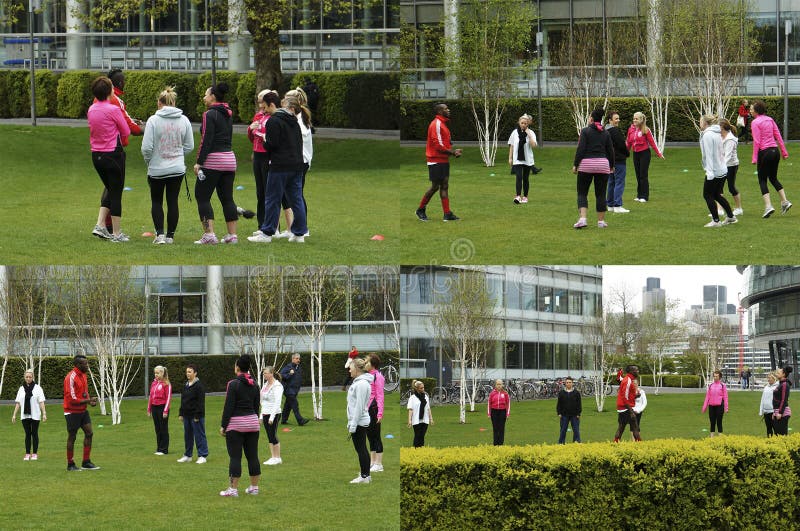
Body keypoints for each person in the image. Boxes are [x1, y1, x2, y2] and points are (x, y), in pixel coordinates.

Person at [247, 93, 308, 243]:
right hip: (296, 165)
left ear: (272, 105)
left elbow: (271, 145)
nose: (264, 110)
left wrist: (265, 140)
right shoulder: (294, 120)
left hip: (280, 166)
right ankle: (299, 233)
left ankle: (267, 233)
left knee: (272, 199)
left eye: (265, 107)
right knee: (296, 199)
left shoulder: (274, 121)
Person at [141, 86, 194, 244]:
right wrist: (178, 156)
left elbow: (146, 147)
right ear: (174, 103)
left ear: (159, 102)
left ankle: (160, 235)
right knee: (172, 201)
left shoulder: (153, 120)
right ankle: (170, 236)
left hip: (157, 168)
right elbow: (189, 146)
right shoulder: (184, 120)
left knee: (156, 201)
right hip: (177, 168)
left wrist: (149, 161)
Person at [98, 68, 144, 236]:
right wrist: (146, 129)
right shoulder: (116, 100)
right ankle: (111, 229)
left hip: (98, 150)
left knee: (109, 187)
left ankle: (103, 224)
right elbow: (128, 127)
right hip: (114, 149)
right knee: (115, 189)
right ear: (119, 83)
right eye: (123, 81)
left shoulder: (96, 102)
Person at [194, 83, 239, 245]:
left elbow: (206, 140)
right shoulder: (228, 113)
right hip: (229, 160)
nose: (204, 97)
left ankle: (209, 235)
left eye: (206, 94)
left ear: (213, 96)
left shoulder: (209, 114)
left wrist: (199, 162)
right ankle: (232, 236)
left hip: (213, 161)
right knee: (227, 199)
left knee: (202, 196)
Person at [88, 76, 131, 242]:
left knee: (110, 188)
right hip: (113, 155)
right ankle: (116, 233)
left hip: (96, 156)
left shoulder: (91, 109)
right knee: (116, 194)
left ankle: (100, 225)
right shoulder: (113, 110)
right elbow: (126, 131)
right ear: (108, 91)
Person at [274, 87, 314, 239]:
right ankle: (295, 228)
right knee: (293, 196)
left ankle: (302, 228)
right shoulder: (299, 117)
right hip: (300, 160)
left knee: (297, 196)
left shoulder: (299, 120)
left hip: (300, 161)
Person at [219, 355, 261, 497]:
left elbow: (228, 407)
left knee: (235, 457)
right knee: (253, 456)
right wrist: (253, 420)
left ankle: (233, 489)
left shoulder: (233, 384)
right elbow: (256, 406)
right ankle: (254, 488)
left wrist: (223, 425)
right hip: (253, 423)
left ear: (237, 367)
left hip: (236, 425)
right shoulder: (255, 384)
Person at [416, 103, 462, 222]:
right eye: (446, 108)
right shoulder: (436, 124)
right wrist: (453, 152)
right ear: (440, 111)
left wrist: (452, 151)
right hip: (435, 160)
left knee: (444, 185)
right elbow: (437, 145)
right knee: (435, 186)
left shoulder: (443, 124)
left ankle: (447, 214)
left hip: (443, 159)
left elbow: (444, 142)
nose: (449, 110)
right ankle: (420, 209)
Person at [572, 107, 614, 229]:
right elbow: (610, 151)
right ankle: (601, 222)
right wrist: (611, 166)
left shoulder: (585, 131)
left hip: (586, 165)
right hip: (603, 165)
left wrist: (576, 164)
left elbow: (581, 149)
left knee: (582, 193)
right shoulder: (606, 133)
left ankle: (583, 219)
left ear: (591, 119)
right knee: (601, 194)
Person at [749, 100, 791, 218]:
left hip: (765, 153)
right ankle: (785, 202)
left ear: (756, 111)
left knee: (762, 180)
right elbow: (778, 136)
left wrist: (754, 158)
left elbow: (757, 141)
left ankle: (768, 206)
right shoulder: (770, 119)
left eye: (751, 109)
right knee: (773, 178)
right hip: (775, 152)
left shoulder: (755, 122)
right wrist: (784, 152)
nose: (750, 111)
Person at [247, 88, 277, 231]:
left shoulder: (272, 116)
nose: (260, 106)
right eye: (258, 102)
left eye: (262, 102)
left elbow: (268, 136)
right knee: (260, 192)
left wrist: (256, 131)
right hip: (257, 155)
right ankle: (261, 224)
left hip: (267, 155)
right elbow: (252, 137)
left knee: (268, 191)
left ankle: (273, 225)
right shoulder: (259, 115)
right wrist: (250, 129)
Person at [63, 354, 99, 471]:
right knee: (72, 437)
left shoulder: (83, 375)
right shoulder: (70, 377)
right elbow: (71, 399)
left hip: (83, 411)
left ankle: (86, 462)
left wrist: (89, 401)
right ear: (78, 365)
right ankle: (70, 464)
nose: (87, 366)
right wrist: (88, 400)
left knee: (89, 433)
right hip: (71, 412)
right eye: (85, 364)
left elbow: (84, 393)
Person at [699, 115, 736, 228]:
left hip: (714, 170)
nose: (699, 123)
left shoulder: (708, 135)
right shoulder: (716, 133)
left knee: (707, 195)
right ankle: (730, 216)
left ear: (705, 123)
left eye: (700, 121)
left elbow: (708, 155)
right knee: (716, 195)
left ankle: (716, 221)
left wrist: (709, 172)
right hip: (722, 169)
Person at [626, 111, 664, 203]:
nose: (634, 120)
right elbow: (628, 142)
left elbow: (652, 142)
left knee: (643, 175)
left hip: (644, 154)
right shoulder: (630, 129)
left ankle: (644, 196)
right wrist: (625, 153)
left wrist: (659, 153)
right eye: (634, 118)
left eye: (636, 119)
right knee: (638, 175)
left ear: (641, 120)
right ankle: (639, 195)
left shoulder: (646, 130)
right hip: (635, 154)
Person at [347, 357, 373, 484]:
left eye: (351, 368)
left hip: (359, 421)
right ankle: (365, 475)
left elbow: (359, 406)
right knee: (361, 448)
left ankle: (364, 476)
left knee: (361, 449)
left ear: (357, 369)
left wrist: (353, 423)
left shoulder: (362, 384)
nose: (349, 371)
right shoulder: (359, 382)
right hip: (358, 421)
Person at [12, 369, 47, 460]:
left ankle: (34, 453)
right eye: (27, 377)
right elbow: (18, 403)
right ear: (24, 377)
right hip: (24, 415)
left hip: (35, 415)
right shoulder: (21, 389)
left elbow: (41, 402)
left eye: (30, 377)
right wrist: (14, 415)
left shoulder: (38, 388)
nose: (28, 378)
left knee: (34, 433)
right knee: (27, 434)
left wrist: (44, 413)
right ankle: (27, 454)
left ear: (33, 377)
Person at [177, 364, 208, 464]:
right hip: (186, 415)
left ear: (195, 373)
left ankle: (202, 455)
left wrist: (197, 415)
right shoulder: (185, 385)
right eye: (187, 372)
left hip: (196, 416)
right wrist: (181, 413)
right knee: (188, 436)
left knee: (199, 435)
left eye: (190, 372)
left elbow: (200, 402)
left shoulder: (199, 386)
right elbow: (183, 400)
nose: (188, 374)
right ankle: (188, 455)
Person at [507, 113, 537, 204]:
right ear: (519, 122)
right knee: (519, 177)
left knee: (525, 178)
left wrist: (529, 135)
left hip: (528, 159)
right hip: (517, 159)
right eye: (522, 123)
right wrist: (510, 158)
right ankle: (518, 196)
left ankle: (525, 197)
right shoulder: (514, 133)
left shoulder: (531, 132)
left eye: (525, 123)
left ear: (528, 124)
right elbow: (512, 145)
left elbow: (534, 145)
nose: (523, 125)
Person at [605, 110, 630, 213]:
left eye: (618, 118)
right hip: (618, 159)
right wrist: (627, 153)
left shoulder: (605, 131)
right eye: (616, 119)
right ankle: (617, 205)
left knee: (611, 182)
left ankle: (610, 205)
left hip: (609, 160)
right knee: (619, 182)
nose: (618, 120)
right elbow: (621, 145)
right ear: (610, 120)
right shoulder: (615, 131)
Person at [364, 353, 385, 472]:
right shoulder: (367, 376)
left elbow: (380, 396)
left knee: (376, 436)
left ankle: (379, 463)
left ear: (373, 364)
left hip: (374, 409)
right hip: (366, 410)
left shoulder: (378, 376)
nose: (365, 363)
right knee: (370, 436)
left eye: (367, 362)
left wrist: (380, 413)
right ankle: (372, 462)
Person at [259, 366, 284, 465]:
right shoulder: (265, 385)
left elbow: (277, 403)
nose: (264, 375)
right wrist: (261, 416)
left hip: (274, 413)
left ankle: (278, 458)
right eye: (263, 373)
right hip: (265, 413)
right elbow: (263, 402)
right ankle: (273, 457)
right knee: (269, 436)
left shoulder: (277, 386)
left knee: (272, 435)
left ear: (271, 374)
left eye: (265, 373)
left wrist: (272, 417)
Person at [719, 119, 743, 217]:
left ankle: (739, 208)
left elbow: (727, 157)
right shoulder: (720, 137)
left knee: (731, 187)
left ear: (722, 128)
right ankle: (719, 210)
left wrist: (720, 167)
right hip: (722, 165)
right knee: (718, 187)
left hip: (731, 166)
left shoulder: (730, 139)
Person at [147, 365, 172, 455]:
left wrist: (165, 410)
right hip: (154, 407)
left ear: (162, 373)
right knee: (157, 429)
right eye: (155, 373)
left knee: (163, 428)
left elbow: (168, 398)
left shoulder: (166, 384)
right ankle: (159, 448)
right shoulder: (154, 383)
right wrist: (149, 409)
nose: (156, 375)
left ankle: (164, 449)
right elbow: (151, 396)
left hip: (162, 407)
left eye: (157, 373)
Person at [279, 353, 309, 425]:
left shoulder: (298, 368)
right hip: (288, 390)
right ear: (292, 359)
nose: (298, 360)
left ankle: (283, 420)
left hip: (295, 390)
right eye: (296, 358)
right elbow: (281, 375)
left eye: (299, 358)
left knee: (288, 405)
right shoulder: (288, 367)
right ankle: (300, 420)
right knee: (295, 404)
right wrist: (289, 374)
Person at [613, 365, 641, 442]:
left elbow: (627, 396)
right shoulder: (628, 381)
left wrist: (635, 396)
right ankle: (640, 444)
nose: (638, 371)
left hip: (622, 408)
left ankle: (615, 443)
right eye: (636, 370)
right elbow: (624, 397)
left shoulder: (628, 379)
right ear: (631, 371)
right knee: (635, 427)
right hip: (626, 408)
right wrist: (631, 412)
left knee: (621, 428)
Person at [701, 370, 729, 437]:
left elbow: (725, 397)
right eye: (714, 376)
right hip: (711, 406)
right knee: (712, 422)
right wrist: (704, 407)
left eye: (716, 376)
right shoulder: (711, 385)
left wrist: (726, 408)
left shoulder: (723, 385)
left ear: (720, 377)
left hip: (720, 406)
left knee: (719, 421)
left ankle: (720, 437)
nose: (715, 377)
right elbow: (707, 397)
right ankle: (712, 437)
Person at [407, 380, 433, 448]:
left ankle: (421, 449)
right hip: (416, 420)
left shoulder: (426, 397)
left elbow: (428, 408)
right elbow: (410, 409)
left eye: (423, 387)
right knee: (417, 435)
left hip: (425, 419)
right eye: (421, 388)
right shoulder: (412, 398)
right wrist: (409, 420)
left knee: (422, 436)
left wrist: (431, 419)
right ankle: (415, 448)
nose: (423, 389)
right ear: (417, 388)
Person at [556, 377, 581, 444]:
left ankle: (576, 443)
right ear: (565, 383)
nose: (568, 384)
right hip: (564, 415)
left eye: (570, 382)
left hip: (574, 415)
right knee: (563, 430)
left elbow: (579, 404)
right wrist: (559, 413)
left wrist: (578, 413)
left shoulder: (576, 393)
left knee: (576, 430)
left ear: (572, 383)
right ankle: (561, 443)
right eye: (567, 382)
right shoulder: (561, 393)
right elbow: (559, 404)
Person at [487, 379, 511, 446]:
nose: (499, 386)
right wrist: (489, 413)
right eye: (497, 384)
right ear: (495, 385)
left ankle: (500, 444)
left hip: (502, 412)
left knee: (501, 428)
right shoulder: (492, 393)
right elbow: (489, 404)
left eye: (500, 384)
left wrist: (507, 414)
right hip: (494, 412)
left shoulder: (505, 393)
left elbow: (508, 404)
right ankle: (495, 444)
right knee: (495, 428)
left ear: (502, 385)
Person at [772, 365, 793, 436]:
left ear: (783, 374)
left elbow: (784, 400)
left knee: (781, 435)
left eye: (778, 373)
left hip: (783, 413)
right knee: (777, 434)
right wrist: (774, 412)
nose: (776, 374)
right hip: (777, 412)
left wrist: (780, 413)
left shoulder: (784, 384)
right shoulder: (780, 384)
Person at [759, 372, 778, 437]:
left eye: (770, 378)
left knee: (775, 428)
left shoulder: (777, 387)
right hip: (766, 412)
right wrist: (761, 410)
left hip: (773, 412)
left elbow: (778, 400)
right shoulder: (766, 387)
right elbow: (762, 399)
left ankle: (778, 441)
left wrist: (775, 411)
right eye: (768, 378)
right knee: (768, 428)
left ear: (774, 378)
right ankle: (769, 440)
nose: (768, 379)